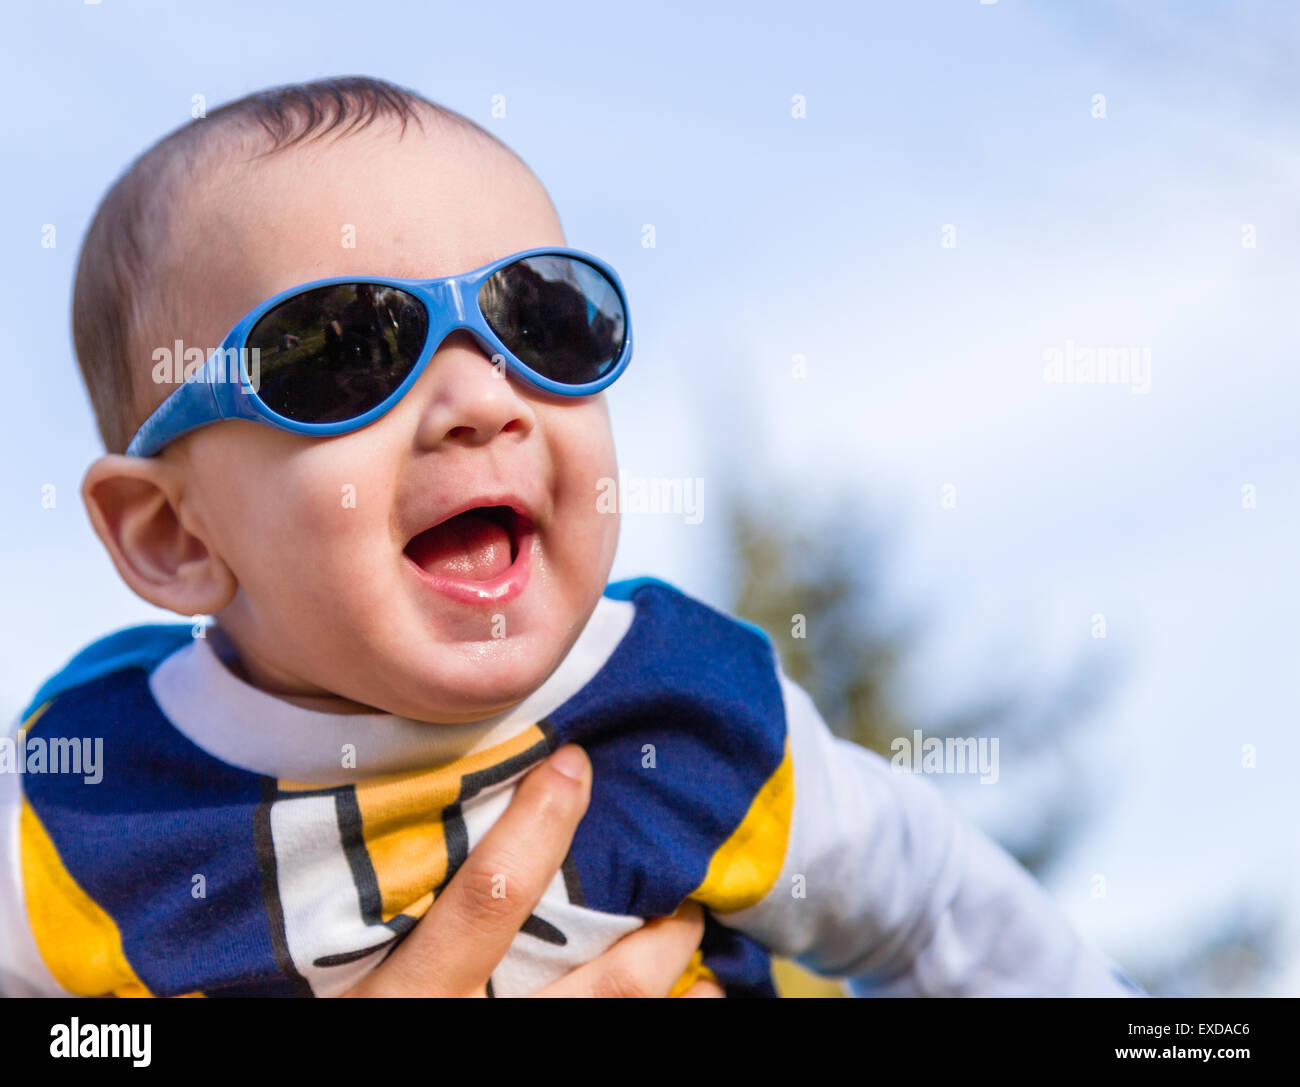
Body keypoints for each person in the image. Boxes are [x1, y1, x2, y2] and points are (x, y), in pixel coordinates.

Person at [1, 78, 1143, 998]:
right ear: (171, 534)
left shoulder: (688, 706)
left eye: (541, 319)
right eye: (344, 349)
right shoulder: (76, 807)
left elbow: (938, 909)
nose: (483, 400)